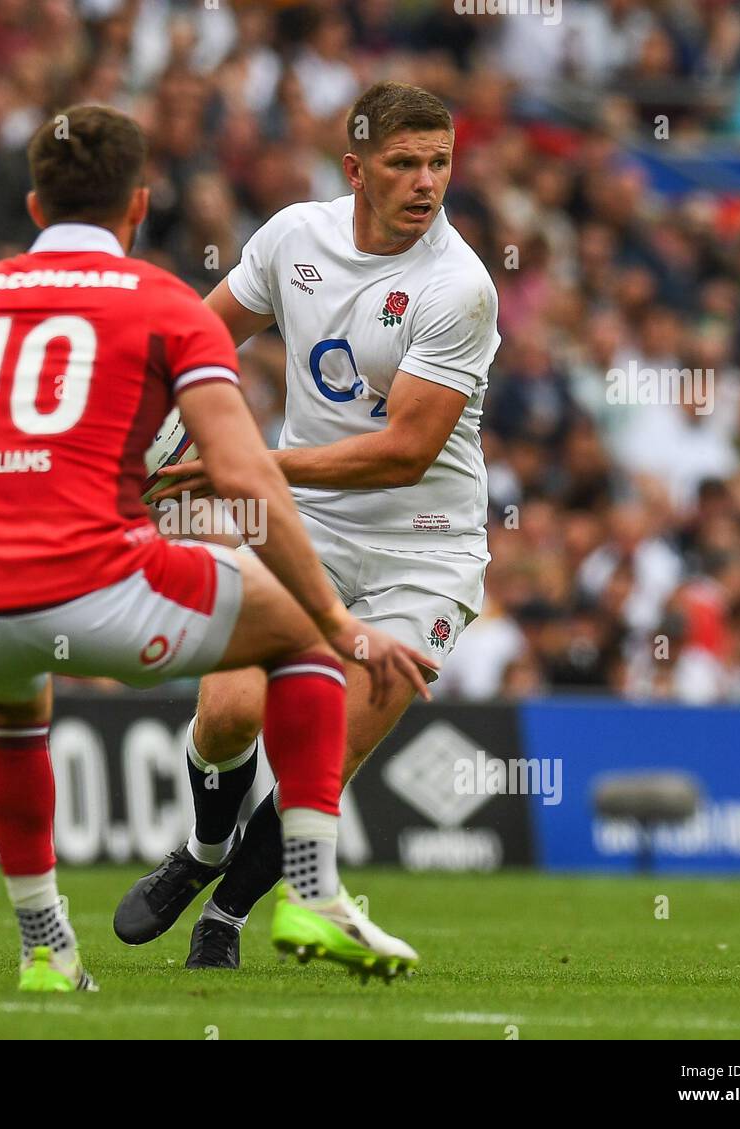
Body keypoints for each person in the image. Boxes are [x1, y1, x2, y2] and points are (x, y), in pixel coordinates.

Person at [0, 104, 433, 993]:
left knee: (10, 711)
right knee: (301, 640)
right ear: (139, 205)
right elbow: (246, 479)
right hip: (101, 588)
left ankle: (48, 946)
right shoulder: (168, 305)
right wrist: (336, 617)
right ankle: (313, 890)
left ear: (34, 204)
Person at [114, 82, 501, 970]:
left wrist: (246, 464)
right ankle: (204, 853)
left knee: (318, 759)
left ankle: (228, 917)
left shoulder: (459, 286)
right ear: (355, 168)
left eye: (440, 162)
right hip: (304, 525)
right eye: (404, 163)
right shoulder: (295, 237)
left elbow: (404, 452)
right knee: (228, 714)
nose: (426, 182)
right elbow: (203, 336)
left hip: (425, 548)